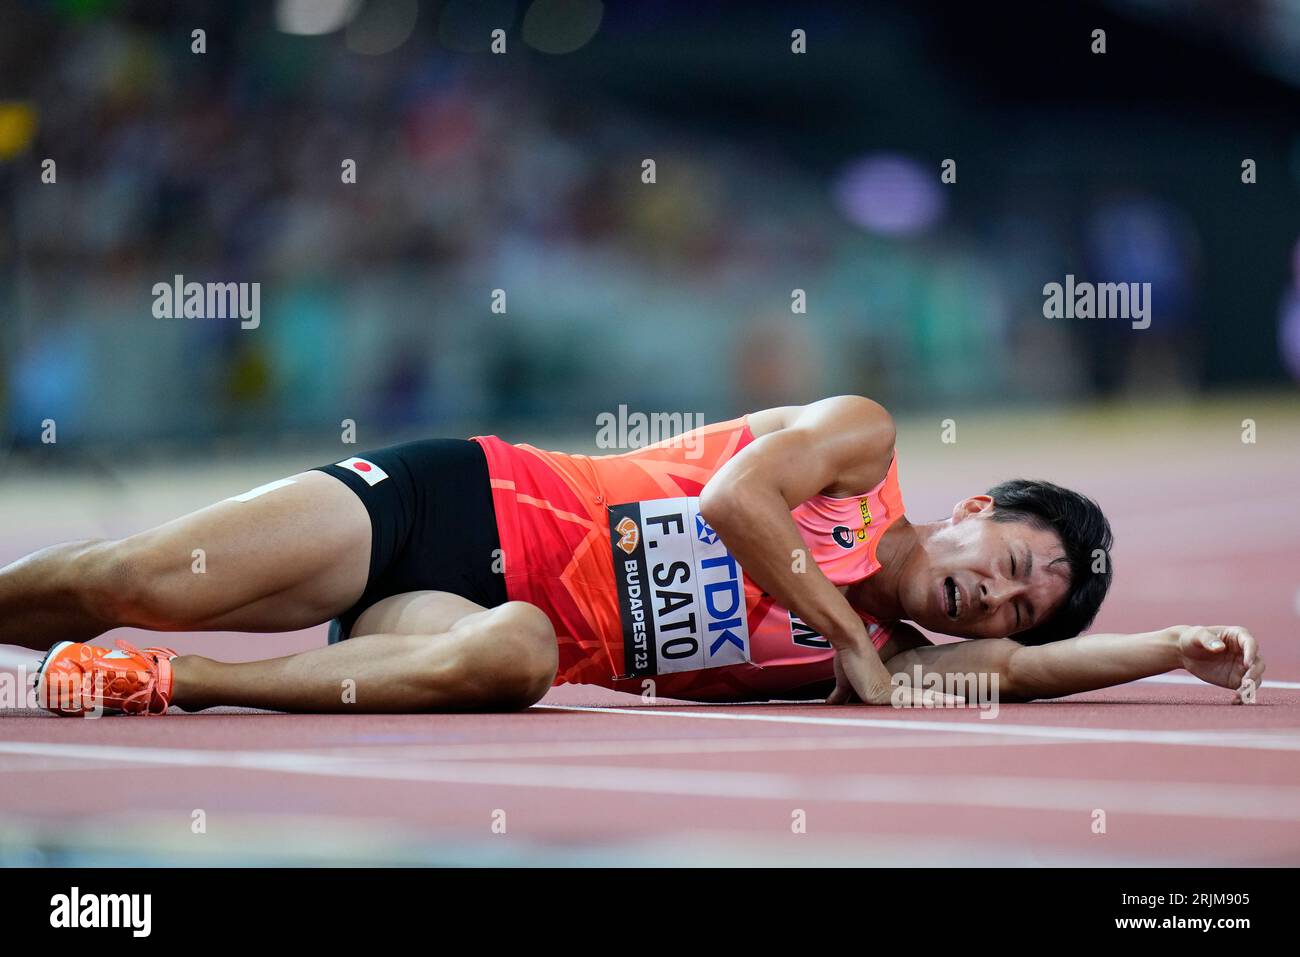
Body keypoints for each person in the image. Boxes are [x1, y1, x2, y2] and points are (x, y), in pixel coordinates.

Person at [0, 395, 1263, 716]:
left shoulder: (900, 655)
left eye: (1019, 606)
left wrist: (1163, 650)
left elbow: (1019, 680)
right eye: (1015, 558)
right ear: (978, 506)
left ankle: (170, 683)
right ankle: (115, 627)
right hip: (464, 498)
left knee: (519, 657)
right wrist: (837, 634)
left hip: (459, 611)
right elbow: (729, 503)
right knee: (136, 579)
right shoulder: (859, 450)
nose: (997, 593)